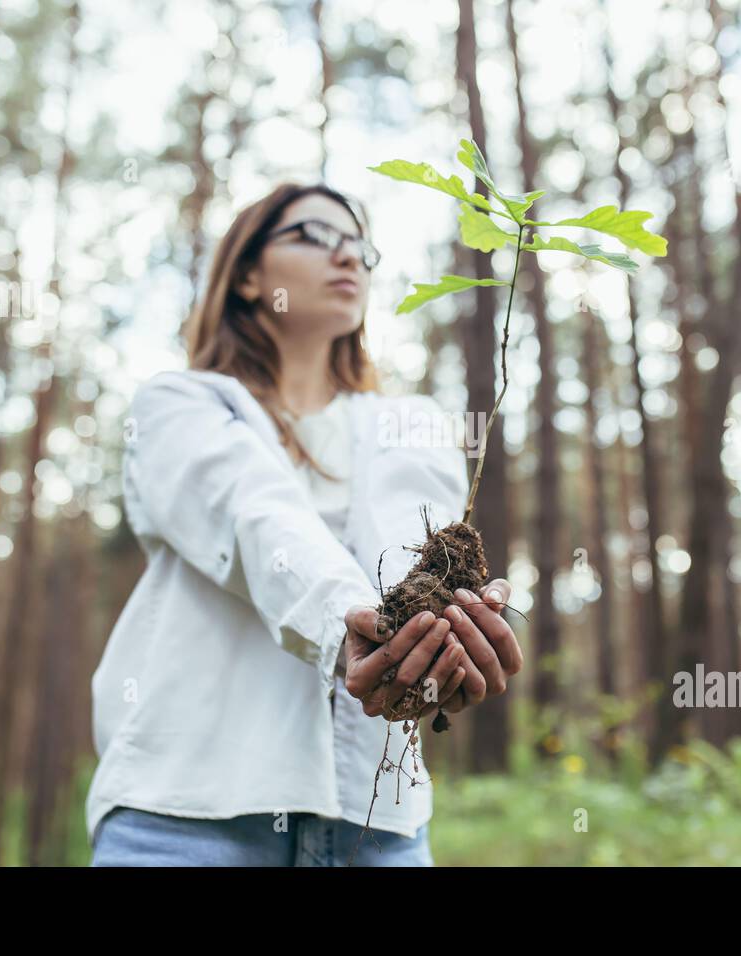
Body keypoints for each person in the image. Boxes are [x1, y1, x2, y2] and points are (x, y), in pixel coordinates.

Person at [86, 182, 523, 866]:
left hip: (377, 829)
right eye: (315, 236)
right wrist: (349, 621)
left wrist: (444, 631)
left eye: (361, 246)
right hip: (190, 816)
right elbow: (250, 514)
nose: (347, 255)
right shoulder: (181, 405)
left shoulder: (403, 423)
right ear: (251, 275)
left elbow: (408, 552)